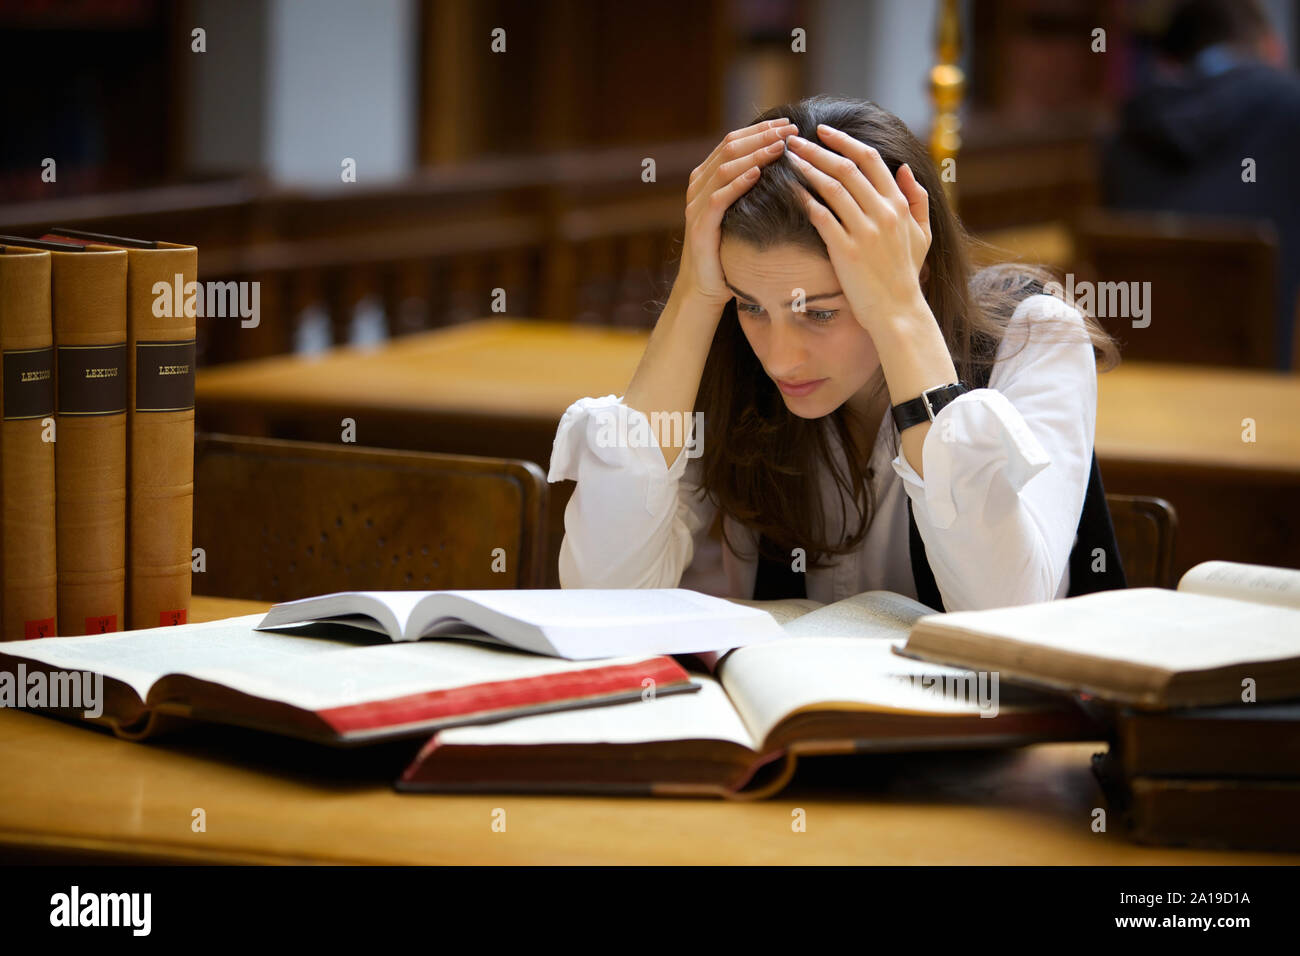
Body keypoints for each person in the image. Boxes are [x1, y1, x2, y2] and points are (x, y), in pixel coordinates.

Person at [549, 95, 1122, 612]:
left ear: (907, 273)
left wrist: (900, 313)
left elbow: (1004, 613)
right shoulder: (725, 353)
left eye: (819, 313)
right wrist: (694, 298)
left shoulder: (1036, 338)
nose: (779, 360)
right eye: (751, 306)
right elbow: (603, 600)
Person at [1101, 0, 1300, 370]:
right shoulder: (1290, 109)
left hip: (1138, 388)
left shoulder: (1126, 125)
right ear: (1271, 47)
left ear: (1169, 60)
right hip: (1271, 396)